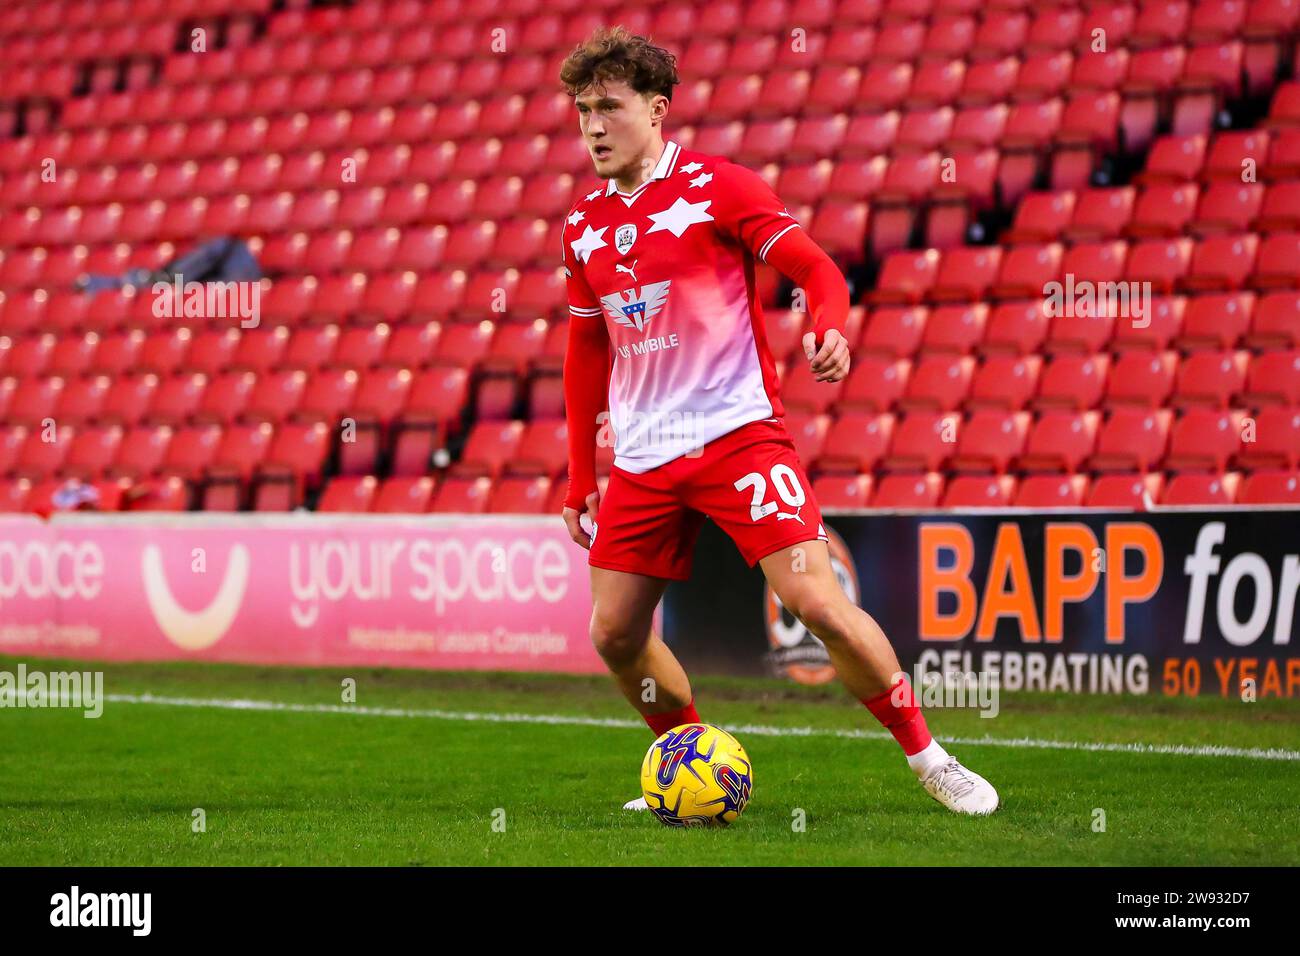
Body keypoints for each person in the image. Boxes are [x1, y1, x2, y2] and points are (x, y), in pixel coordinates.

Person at [559, 27, 998, 815]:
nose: (593, 126)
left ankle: (932, 759)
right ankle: (691, 761)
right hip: (645, 457)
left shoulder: (717, 186)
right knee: (615, 634)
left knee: (818, 606)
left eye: (609, 108)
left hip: (738, 437)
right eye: (583, 111)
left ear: (656, 110)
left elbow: (815, 269)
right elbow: (586, 348)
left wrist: (830, 326)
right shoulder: (582, 225)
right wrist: (577, 476)